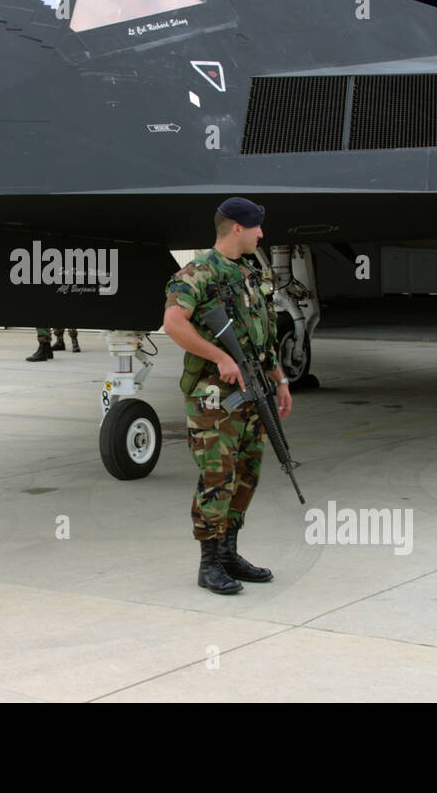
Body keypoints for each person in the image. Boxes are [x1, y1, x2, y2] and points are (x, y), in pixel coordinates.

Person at [162, 197, 293, 596]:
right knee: (218, 477)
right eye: (257, 227)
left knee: (247, 474)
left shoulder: (251, 271)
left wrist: (281, 379)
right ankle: (209, 563)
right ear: (237, 227)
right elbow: (172, 323)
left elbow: (261, 336)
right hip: (214, 399)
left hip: (255, 391)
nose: (262, 234)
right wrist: (219, 357)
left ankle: (229, 553)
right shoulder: (197, 273)